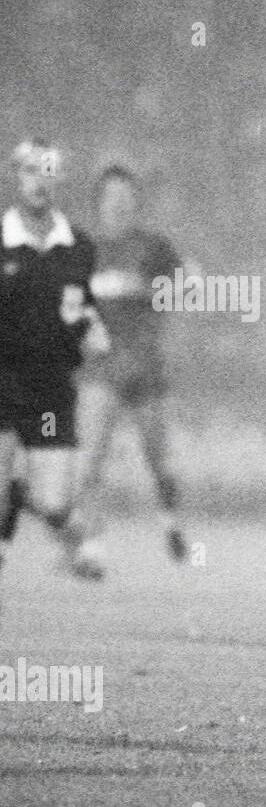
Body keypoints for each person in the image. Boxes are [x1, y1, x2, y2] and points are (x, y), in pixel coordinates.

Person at [0, 138, 110, 592]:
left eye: (48, 172)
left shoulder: (78, 246)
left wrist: (93, 328)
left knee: (53, 503)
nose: (38, 182)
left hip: (52, 389)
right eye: (30, 171)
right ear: (15, 175)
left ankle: (26, 498)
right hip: (3, 380)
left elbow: (81, 306)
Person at [74, 164, 190, 570]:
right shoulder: (82, 249)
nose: (120, 204)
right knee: (90, 461)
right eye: (113, 197)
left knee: (160, 462)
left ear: (135, 202)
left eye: (126, 197)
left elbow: (185, 287)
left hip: (146, 371)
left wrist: (149, 290)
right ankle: (91, 546)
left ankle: (171, 524)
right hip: (99, 371)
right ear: (101, 204)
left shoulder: (154, 248)